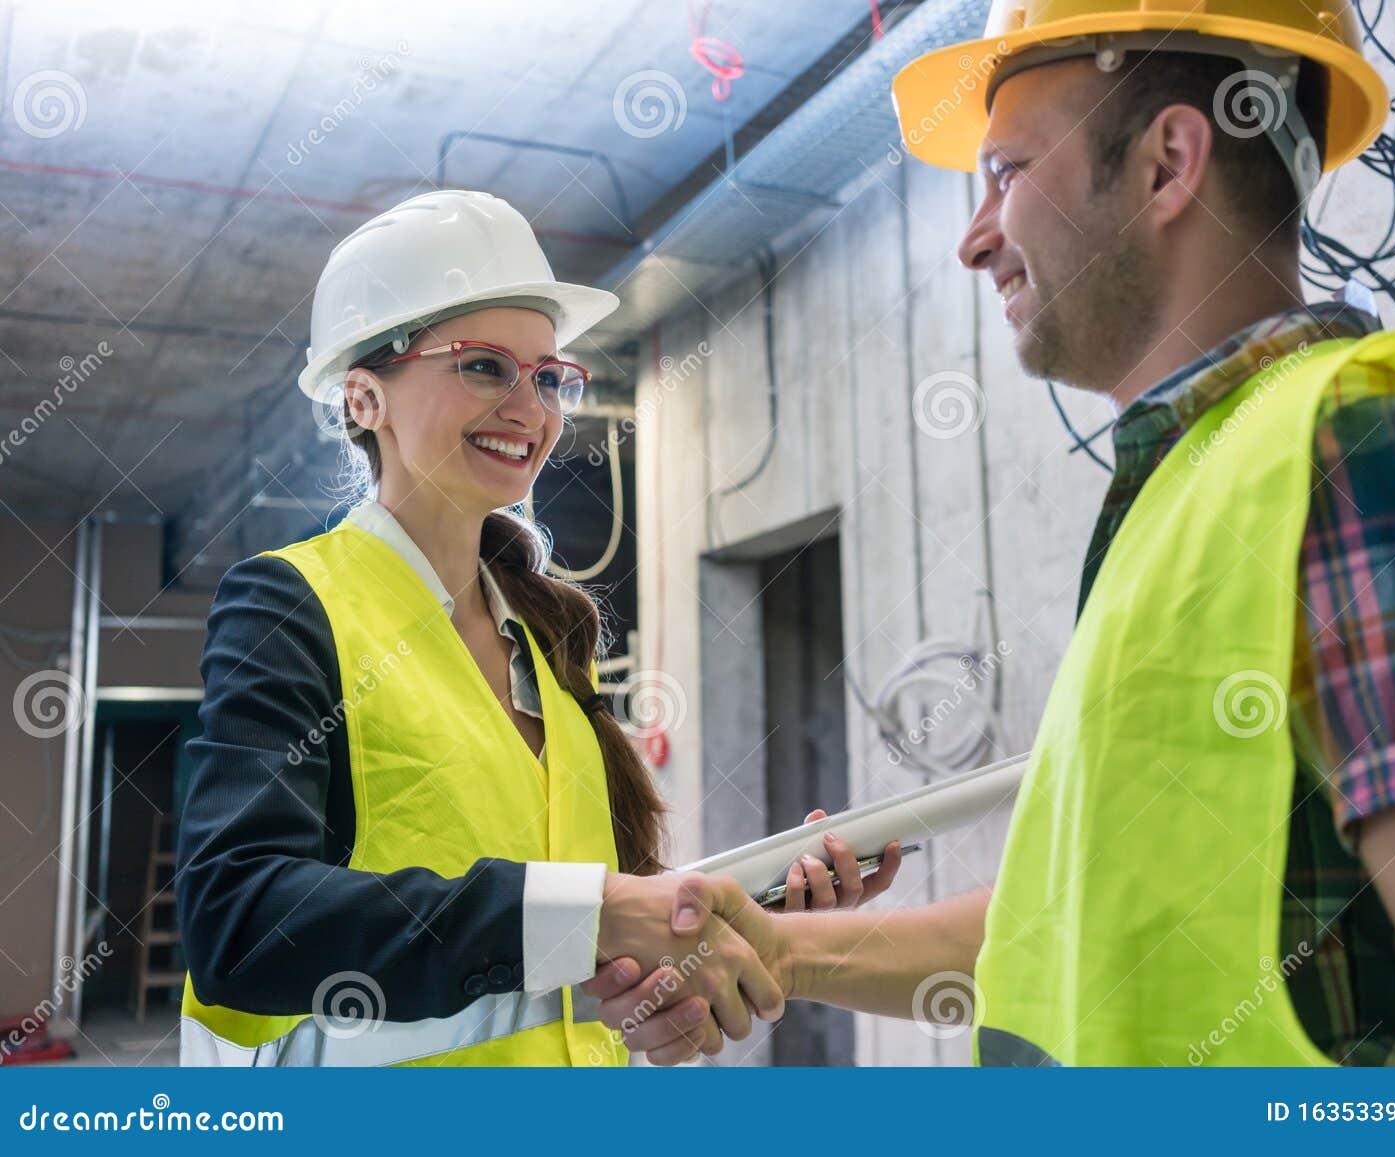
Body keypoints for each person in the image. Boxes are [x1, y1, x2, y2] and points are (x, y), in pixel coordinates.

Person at [589, 0, 1395, 1066]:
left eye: (1007, 173)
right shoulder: (1197, 491)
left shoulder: (1367, 464)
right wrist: (776, 948)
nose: (977, 238)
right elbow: (1080, 924)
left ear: (1168, 163)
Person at [175, 189, 898, 1067]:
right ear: (365, 398)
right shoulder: (291, 603)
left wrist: (750, 911)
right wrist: (591, 914)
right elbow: (239, 919)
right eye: (484, 365)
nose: (533, 408)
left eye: (550, 375)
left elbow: (589, 934)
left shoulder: (545, 638)